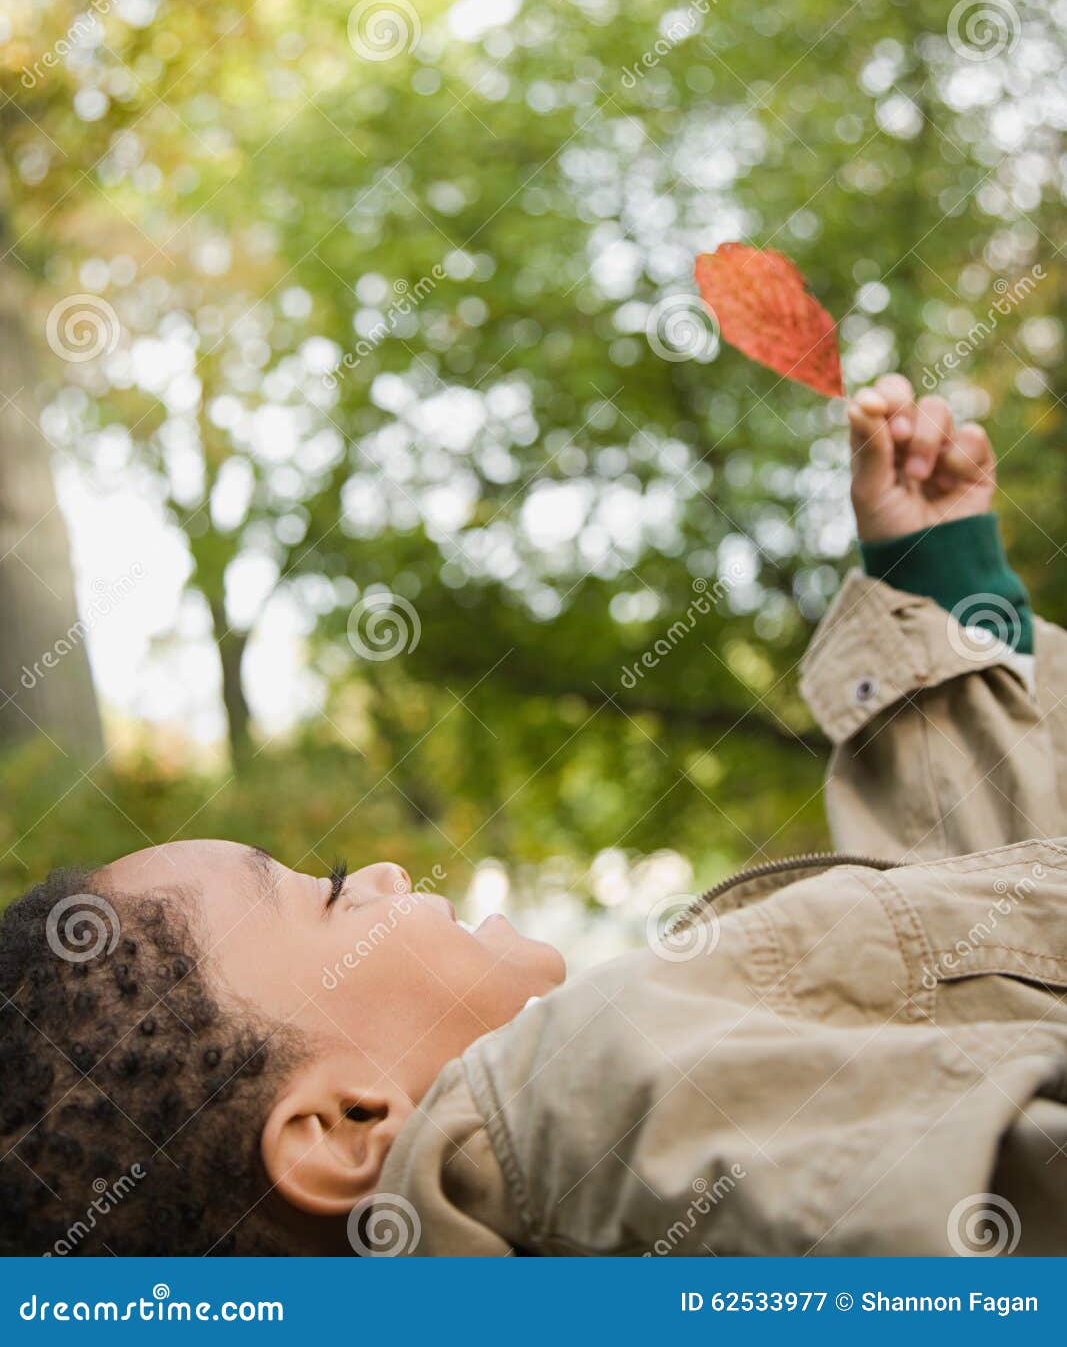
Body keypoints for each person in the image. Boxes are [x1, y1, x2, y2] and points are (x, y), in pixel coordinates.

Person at [2, 376, 1065, 1257]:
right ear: (343, 1127)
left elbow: (957, 1008)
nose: (379, 872)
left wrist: (942, 593)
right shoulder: (586, 1105)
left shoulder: (592, 1207)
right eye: (324, 892)